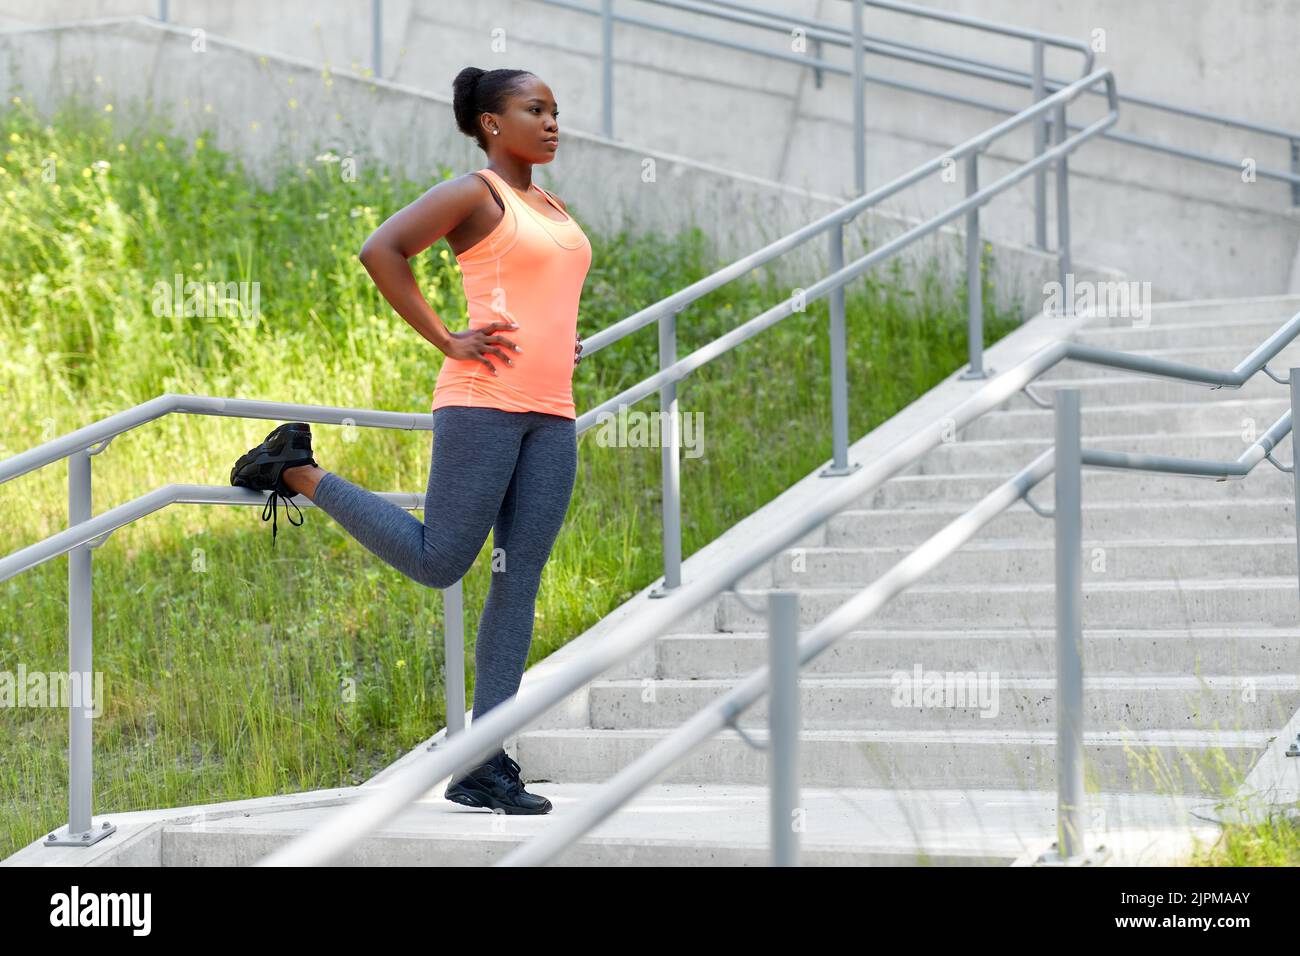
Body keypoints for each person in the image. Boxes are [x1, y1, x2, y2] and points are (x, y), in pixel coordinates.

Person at [229, 66, 591, 815]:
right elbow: (382, 250)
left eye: (556, 111)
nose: (552, 122)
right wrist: (447, 339)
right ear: (492, 122)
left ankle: (481, 763)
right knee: (441, 560)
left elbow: (540, 295)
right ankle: (293, 470)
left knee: (516, 580)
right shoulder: (476, 193)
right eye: (535, 110)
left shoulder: (550, 204)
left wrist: (561, 342)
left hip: (553, 411)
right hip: (483, 402)